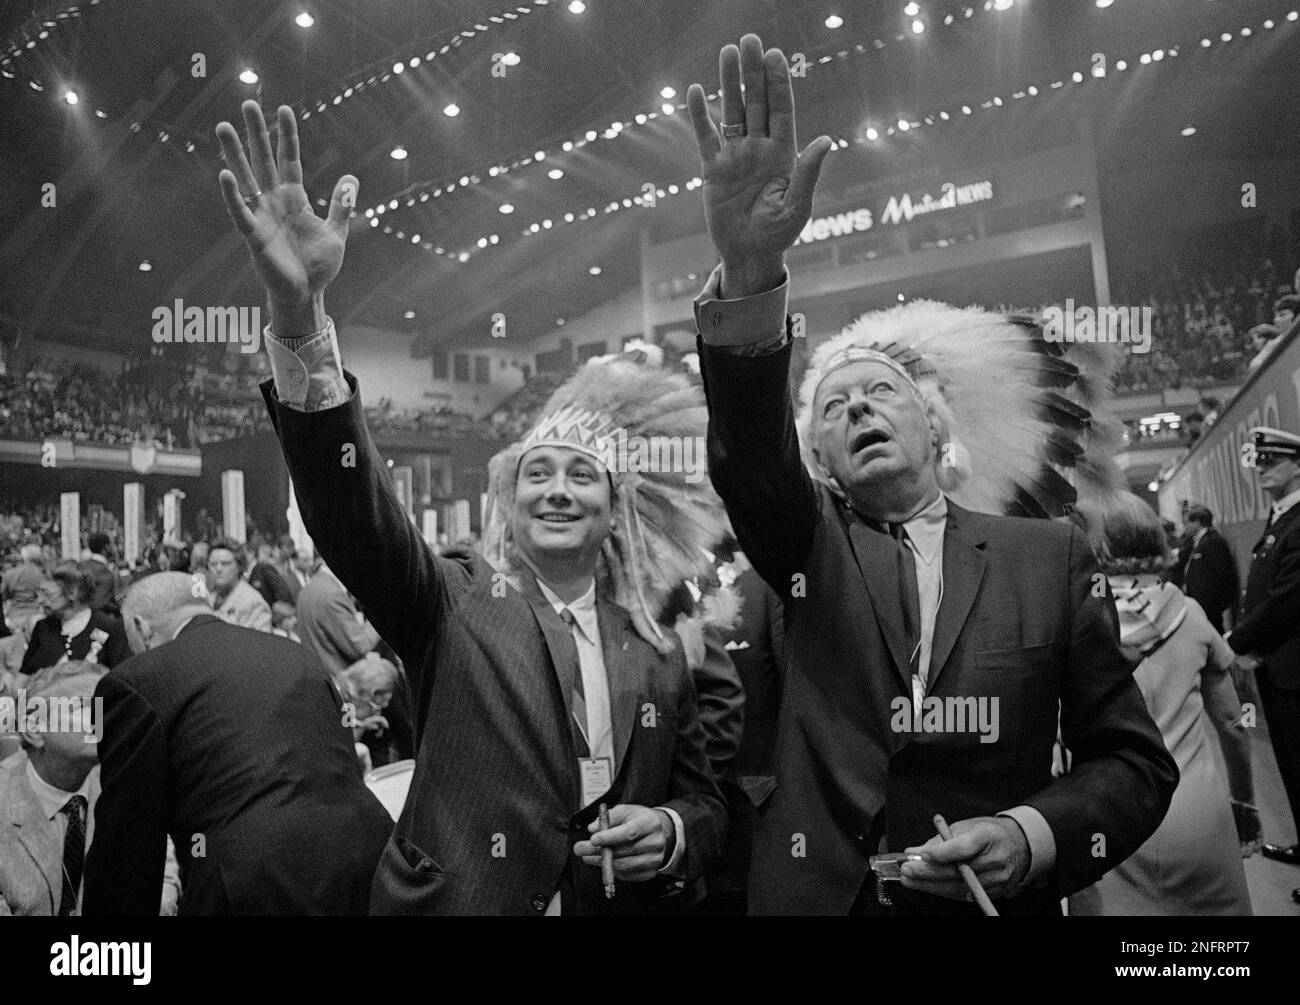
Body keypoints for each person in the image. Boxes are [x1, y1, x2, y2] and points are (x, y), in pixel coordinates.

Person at [685, 35, 1177, 915]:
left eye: (880, 391)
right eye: (831, 409)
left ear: (935, 421)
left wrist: (1030, 833)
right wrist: (753, 272)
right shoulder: (804, 548)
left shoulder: (1048, 557)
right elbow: (753, 462)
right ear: (822, 465)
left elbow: (1133, 764)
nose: (858, 410)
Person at [214, 100, 727, 915]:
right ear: (509, 499)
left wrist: (669, 828)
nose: (557, 489)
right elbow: (356, 513)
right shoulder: (452, 598)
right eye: (538, 473)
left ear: (615, 509)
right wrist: (300, 317)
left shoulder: (657, 646)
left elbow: (708, 802)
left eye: (581, 477)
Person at [84, 573, 391, 916]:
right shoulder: (294, 653)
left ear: (140, 626)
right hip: (365, 854)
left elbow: (128, 843)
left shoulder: (137, 681)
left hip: (253, 880)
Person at [1070, 493, 1255, 916]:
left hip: (1108, 815)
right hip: (1197, 814)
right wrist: (1244, 804)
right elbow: (1233, 723)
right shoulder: (1189, 613)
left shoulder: (1075, 621)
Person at [0, 661, 180, 916]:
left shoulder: (128, 781)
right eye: (86, 706)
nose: (105, 717)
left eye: (109, 705)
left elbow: (162, 873)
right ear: (34, 728)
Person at [1228, 426, 1300, 895]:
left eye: (1272, 461)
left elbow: (1286, 599)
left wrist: (1234, 642)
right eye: (1260, 461)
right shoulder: (1280, 521)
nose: (1261, 469)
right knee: (1293, 766)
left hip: (1293, 669)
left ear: (1297, 464)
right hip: (1281, 667)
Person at [20, 562, 130, 675]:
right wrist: (21, 693)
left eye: (47, 594)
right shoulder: (42, 627)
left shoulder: (110, 627)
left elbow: (121, 679)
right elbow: (24, 677)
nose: (40, 601)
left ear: (72, 593)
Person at [295, 559, 381, 678]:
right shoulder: (331, 595)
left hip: (322, 674)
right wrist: (381, 610)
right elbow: (361, 645)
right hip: (341, 679)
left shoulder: (313, 585)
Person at [1177, 505, 1239, 634]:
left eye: (1187, 522)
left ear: (1197, 523)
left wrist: (1219, 602)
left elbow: (1221, 572)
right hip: (1201, 601)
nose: (1185, 527)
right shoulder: (1197, 542)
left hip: (1210, 603)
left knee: (1214, 632)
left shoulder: (1213, 541)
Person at [207, 538, 272, 632]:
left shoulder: (254, 603)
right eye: (213, 564)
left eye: (225, 564)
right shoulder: (209, 599)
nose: (218, 569)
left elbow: (262, 644)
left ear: (239, 567)